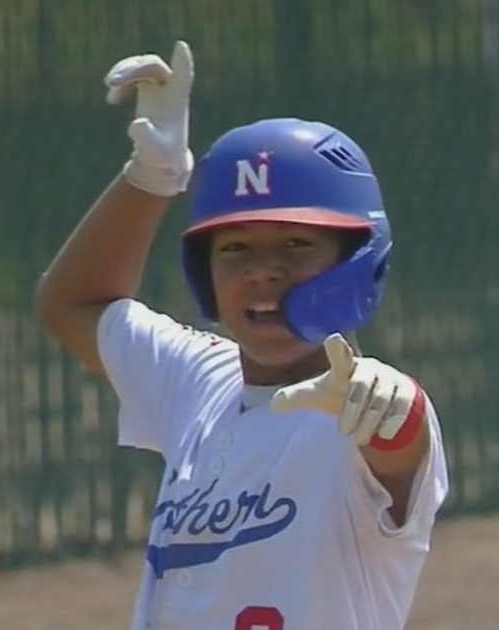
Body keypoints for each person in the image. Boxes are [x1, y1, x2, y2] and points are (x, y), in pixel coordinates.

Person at [34, 41, 449, 630]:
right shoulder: (199, 380)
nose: (262, 271)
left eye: (296, 243)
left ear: (358, 258)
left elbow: (398, 441)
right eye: (235, 247)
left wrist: (398, 410)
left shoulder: (359, 413)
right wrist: (151, 176)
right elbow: (69, 302)